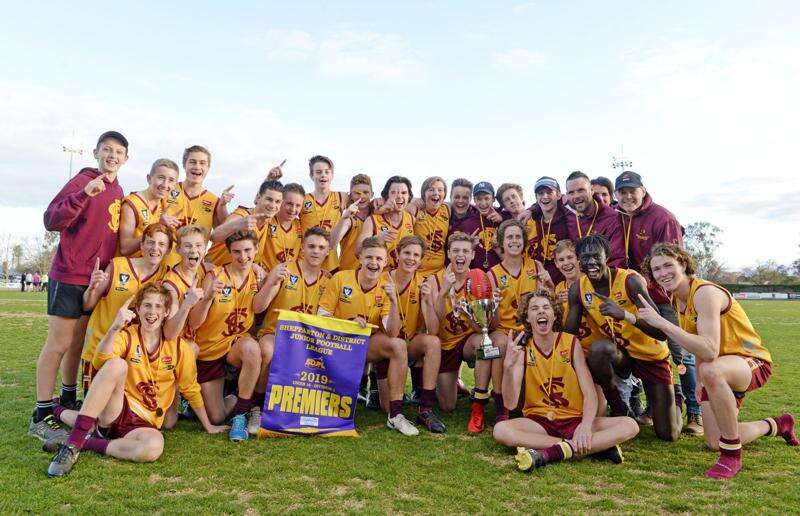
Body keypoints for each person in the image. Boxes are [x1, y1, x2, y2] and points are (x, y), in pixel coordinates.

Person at [638, 243, 798, 478]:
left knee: (713, 372)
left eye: (668, 265)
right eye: (656, 269)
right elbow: (702, 350)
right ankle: (777, 424)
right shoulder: (677, 299)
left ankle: (732, 456)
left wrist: (662, 324)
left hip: (750, 361)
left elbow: (710, 350)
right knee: (714, 440)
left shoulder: (704, 293)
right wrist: (703, 379)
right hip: (717, 369)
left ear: (683, 264)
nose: (663, 273)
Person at [44, 284, 227, 477]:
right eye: (147, 305)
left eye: (158, 307)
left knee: (154, 447)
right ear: (138, 309)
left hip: (144, 422)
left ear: (166, 313)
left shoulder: (180, 348)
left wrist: (207, 425)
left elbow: (190, 387)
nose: (152, 311)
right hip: (117, 409)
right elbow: (100, 362)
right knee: (116, 365)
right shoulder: (127, 335)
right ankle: (71, 446)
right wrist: (114, 327)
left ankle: (83, 438)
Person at [32, 131, 128, 443]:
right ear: (96, 152)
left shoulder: (119, 191)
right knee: (58, 343)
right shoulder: (83, 180)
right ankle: (41, 414)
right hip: (70, 274)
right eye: (107, 150)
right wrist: (84, 194)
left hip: (95, 280)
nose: (112, 156)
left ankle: (67, 398)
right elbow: (51, 219)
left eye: (118, 152)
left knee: (77, 344)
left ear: (126, 159)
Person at [493, 290, 639, 471]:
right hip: (539, 420)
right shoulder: (522, 347)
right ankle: (586, 448)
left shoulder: (570, 342)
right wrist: (508, 367)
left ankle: (550, 453)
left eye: (546, 307)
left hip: (574, 419)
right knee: (500, 430)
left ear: (554, 315)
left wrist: (585, 426)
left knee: (630, 425)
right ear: (527, 318)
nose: (541, 312)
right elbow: (510, 402)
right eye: (534, 308)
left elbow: (589, 392)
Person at [565, 235, 682, 441]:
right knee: (597, 350)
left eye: (596, 256)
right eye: (585, 258)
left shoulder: (630, 281)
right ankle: (620, 408)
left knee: (668, 434)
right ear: (578, 261)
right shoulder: (578, 288)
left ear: (607, 256)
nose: (591, 263)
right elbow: (569, 334)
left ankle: (676, 400)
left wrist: (625, 315)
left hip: (650, 355)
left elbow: (661, 332)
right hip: (622, 356)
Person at [613, 170, 702, 434]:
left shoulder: (662, 217)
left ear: (643, 191)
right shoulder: (617, 216)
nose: (628, 196)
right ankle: (656, 406)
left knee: (680, 353)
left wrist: (660, 289)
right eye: (623, 192)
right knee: (645, 351)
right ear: (617, 195)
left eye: (632, 191)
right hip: (636, 298)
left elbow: (674, 262)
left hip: (664, 299)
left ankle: (696, 413)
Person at [318, 237, 419, 436]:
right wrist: (348, 323)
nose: (374, 263)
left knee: (398, 345)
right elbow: (321, 316)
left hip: (365, 345)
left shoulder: (385, 285)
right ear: (360, 258)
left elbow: (391, 331)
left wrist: (394, 301)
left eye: (379, 259)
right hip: (336, 343)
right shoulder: (340, 278)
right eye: (369, 257)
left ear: (385, 262)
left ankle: (395, 415)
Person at [188, 230, 282, 441]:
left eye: (248, 250)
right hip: (210, 350)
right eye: (237, 252)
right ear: (229, 252)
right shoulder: (215, 277)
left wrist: (271, 283)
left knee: (252, 349)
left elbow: (258, 308)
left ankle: (241, 415)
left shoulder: (257, 277)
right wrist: (207, 298)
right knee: (217, 417)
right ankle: (235, 398)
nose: (243, 257)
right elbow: (194, 322)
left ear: (256, 250)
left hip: (235, 346)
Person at [80, 224, 173, 393]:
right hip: (100, 347)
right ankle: (59, 408)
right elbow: (87, 304)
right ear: (142, 245)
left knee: (121, 415)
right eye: (151, 242)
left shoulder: (165, 276)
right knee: (96, 413)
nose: (155, 248)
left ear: (167, 250)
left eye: (161, 244)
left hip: (133, 355)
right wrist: (92, 287)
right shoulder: (118, 265)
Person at [256, 227, 332, 427]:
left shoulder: (330, 281)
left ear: (328, 252)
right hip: (275, 333)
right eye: (311, 246)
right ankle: (256, 407)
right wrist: (271, 282)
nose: (316, 251)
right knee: (267, 351)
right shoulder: (284, 270)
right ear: (303, 248)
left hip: (307, 341)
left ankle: (310, 408)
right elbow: (258, 307)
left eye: (321, 247)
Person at [488, 220, 552, 425]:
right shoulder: (493, 274)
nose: (514, 241)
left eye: (518, 237)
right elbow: (491, 322)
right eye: (509, 237)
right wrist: (494, 304)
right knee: (500, 344)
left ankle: (540, 401)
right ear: (501, 242)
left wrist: (549, 285)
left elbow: (548, 303)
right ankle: (500, 407)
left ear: (524, 241)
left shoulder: (536, 267)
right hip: (504, 329)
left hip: (530, 329)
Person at [424, 232, 486, 429]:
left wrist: (469, 313)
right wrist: (443, 293)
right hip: (445, 345)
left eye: (465, 251)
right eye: (456, 251)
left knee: (484, 342)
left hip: (467, 341)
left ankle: (480, 399)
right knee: (447, 406)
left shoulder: (478, 279)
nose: (461, 255)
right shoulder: (434, 280)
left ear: (472, 255)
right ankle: (450, 385)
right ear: (448, 253)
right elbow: (433, 328)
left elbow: (481, 327)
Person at [384, 236, 446, 433]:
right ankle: (388, 402)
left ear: (421, 260)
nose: (411, 258)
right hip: (388, 347)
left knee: (433, 342)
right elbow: (390, 332)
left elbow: (434, 330)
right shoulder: (384, 279)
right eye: (407, 253)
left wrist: (427, 303)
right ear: (397, 254)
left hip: (410, 345)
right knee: (387, 406)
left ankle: (425, 407)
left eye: (416, 255)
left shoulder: (424, 283)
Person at [205, 180, 283, 266]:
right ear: (258, 197)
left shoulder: (269, 220)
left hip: (236, 275)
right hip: (213, 270)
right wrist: (238, 224)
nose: (272, 205)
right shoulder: (242, 215)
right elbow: (214, 236)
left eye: (277, 202)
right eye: (269, 199)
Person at [117, 159, 181, 256]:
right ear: (149, 178)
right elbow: (125, 249)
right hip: (129, 267)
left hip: (150, 266)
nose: (165, 185)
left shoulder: (164, 204)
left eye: (171, 180)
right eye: (161, 177)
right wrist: (157, 226)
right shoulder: (132, 204)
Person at [564, 171, 625, 268]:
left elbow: (617, 260)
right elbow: (547, 201)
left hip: (603, 277)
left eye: (581, 190)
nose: (576, 196)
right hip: (577, 279)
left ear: (591, 190)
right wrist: (531, 210)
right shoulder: (567, 212)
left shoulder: (612, 218)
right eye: (571, 192)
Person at [298, 155, 347, 272]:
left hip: (331, 263)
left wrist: (378, 202)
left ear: (332, 175)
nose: (323, 175)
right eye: (318, 172)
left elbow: (364, 203)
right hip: (307, 262)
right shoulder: (303, 199)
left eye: (327, 172)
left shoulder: (342, 197)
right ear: (311, 176)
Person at [522, 177, 571, 286]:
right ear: (536, 197)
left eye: (549, 192)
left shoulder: (567, 216)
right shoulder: (536, 218)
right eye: (540, 193)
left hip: (565, 283)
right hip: (543, 282)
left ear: (558, 195)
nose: (545, 196)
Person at [359, 176, 415, 269]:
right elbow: (358, 250)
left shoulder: (411, 219)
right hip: (378, 275)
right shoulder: (373, 220)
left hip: (401, 275)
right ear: (386, 196)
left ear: (409, 197)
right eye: (394, 192)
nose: (399, 196)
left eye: (404, 193)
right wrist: (376, 239)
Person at [408, 176, 450, 278]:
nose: (436, 193)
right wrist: (413, 201)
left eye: (440, 190)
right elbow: (398, 207)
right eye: (431, 189)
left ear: (444, 195)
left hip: (440, 271)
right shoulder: (415, 209)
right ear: (424, 193)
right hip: (417, 270)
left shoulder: (447, 209)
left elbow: (465, 204)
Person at [330, 174, 373, 271]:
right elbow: (332, 244)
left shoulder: (377, 218)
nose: (361, 196)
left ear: (372, 194)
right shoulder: (349, 220)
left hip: (371, 274)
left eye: (366, 192)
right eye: (357, 193)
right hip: (348, 274)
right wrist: (344, 218)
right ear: (351, 195)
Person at [261, 183, 305, 269]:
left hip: (289, 279)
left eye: (298, 205)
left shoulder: (301, 226)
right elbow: (260, 203)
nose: (293, 209)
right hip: (265, 276)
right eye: (289, 203)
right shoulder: (267, 220)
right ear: (280, 201)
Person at [496, 183, 539, 261]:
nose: (512, 201)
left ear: (521, 198)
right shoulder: (505, 228)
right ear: (504, 206)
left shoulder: (538, 215)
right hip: (522, 271)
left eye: (514, 196)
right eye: (507, 200)